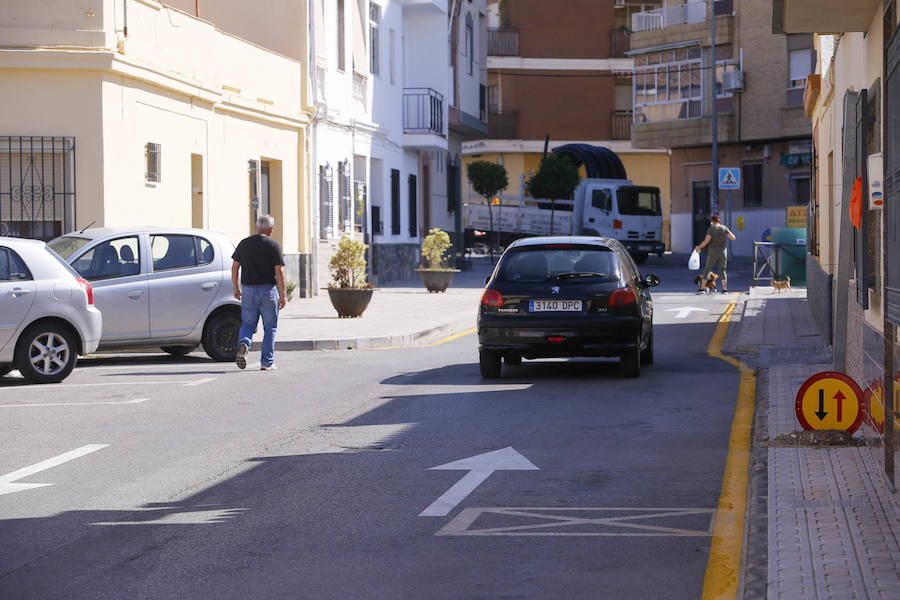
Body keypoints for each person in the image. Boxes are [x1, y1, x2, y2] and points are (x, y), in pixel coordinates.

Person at [232, 214, 287, 370]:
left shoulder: (244, 244)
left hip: (248, 291)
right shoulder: (274, 245)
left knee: (248, 324)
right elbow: (279, 271)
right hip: (268, 291)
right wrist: (282, 295)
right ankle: (267, 362)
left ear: (257, 227)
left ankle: (244, 342)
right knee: (270, 328)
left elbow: (235, 267)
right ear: (271, 229)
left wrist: (236, 288)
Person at [694, 214, 736, 293]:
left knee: (707, 270)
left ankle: (702, 288)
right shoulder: (724, 228)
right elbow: (733, 238)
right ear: (719, 221)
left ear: (712, 221)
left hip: (712, 252)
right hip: (723, 252)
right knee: (722, 270)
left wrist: (699, 247)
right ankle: (724, 289)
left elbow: (706, 241)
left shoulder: (711, 229)